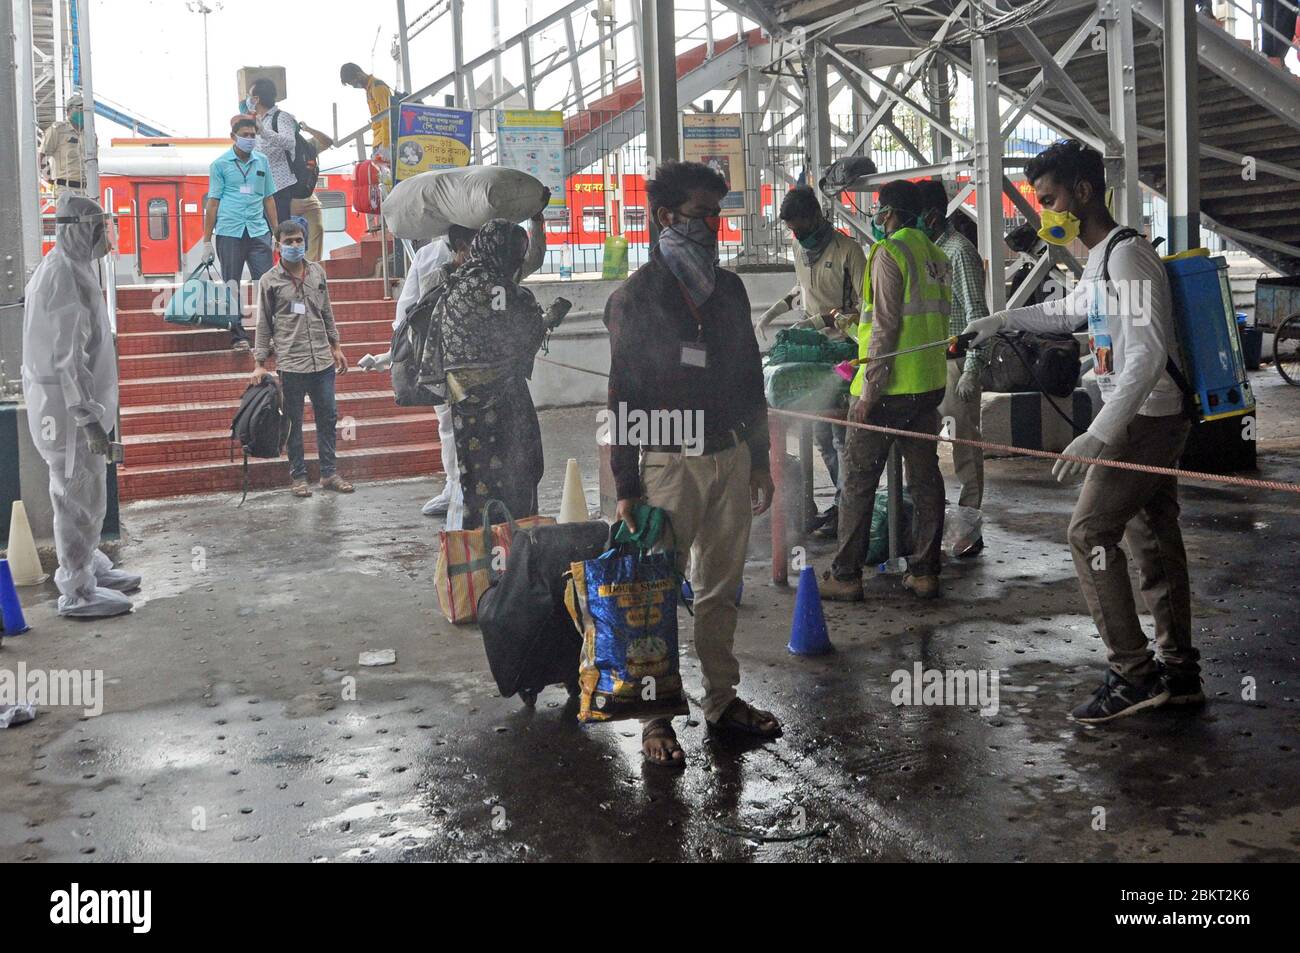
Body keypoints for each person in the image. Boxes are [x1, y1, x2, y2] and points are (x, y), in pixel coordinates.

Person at [964, 138, 1196, 724]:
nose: (1044, 212)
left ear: (1084, 192)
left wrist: (1099, 432)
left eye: (1049, 199)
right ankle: (1179, 670)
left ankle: (1131, 672)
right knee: (1153, 536)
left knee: (1088, 532)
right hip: (1141, 413)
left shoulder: (1128, 256)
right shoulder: (1101, 257)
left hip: (1146, 416)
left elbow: (1144, 355)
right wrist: (1000, 321)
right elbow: (1067, 312)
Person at [604, 160, 779, 769]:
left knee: (721, 588)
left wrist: (759, 460)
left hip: (730, 455)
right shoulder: (637, 297)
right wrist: (627, 482)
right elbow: (622, 392)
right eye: (702, 214)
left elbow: (751, 380)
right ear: (662, 217)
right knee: (654, 590)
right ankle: (655, 715)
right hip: (667, 463)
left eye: (717, 214)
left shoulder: (727, 291)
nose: (713, 226)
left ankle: (722, 700)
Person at [821, 179, 951, 603]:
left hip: (890, 390)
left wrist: (867, 395)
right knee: (926, 480)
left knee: (858, 481)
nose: (876, 218)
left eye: (878, 210)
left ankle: (845, 576)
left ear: (890, 213)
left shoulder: (888, 252)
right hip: (928, 387)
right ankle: (926, 572)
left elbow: (884, 328)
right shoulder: (937, 255)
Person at [21, 194, 140, 618]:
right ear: (78, 229)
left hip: (77, 409)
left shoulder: (74, 267)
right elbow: (67, 359)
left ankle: (88, 565)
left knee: (88, 491)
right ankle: (76, 591)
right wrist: (87, 419)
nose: (104, 237)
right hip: (68, 414)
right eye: (98, 228)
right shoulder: (62, 276)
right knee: (75, 497)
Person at [760, 185, 865, 539]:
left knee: (840, 434)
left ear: (815, 216)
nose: (796, 234)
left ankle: (847, 506)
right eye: (791, 229)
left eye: (799, 226)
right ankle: (834, 503)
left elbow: (866, 308)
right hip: (812, 349)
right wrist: (776, 310)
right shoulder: (798, 249)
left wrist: (827, 320)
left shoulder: (848, 251)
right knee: (819, 432)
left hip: (843, 351)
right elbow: (801, 289)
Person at [434, 220, 550, 528]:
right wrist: (544, 321)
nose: (518, 261)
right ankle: (515, 545)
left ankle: (482, 547)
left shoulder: (457, 282)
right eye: (516, 254)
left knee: (477, 475)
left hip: (462, 401)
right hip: (502, 401)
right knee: (518, 469)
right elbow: (516, 330)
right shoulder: (498, 287)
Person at [251, 219, 354, 497]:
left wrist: (336, 346)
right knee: (293, 422)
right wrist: (260, 363)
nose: (295, 245)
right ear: (277, 245)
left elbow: (327, 311)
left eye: (298, 240)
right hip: (291, 363)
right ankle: (298, 477)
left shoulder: (317, 273)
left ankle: (329, 473)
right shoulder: (269, 281)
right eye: (289, 242)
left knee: (327, 417)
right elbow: (263, 324)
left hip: (322, 360)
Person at [918, 179, 990, 547]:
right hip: (927, 364)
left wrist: (972, 370)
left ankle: (969, 532)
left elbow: (978, 315)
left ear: (931, 215)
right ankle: (936, 528)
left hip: (956, 364)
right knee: (923, 449)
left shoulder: (959, 252)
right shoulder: (924, 252)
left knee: (965, 450)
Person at [201, 115, 277, 351]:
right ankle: (238, 336)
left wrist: (277, 234)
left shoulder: (262, 162)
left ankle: (269, 336)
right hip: (229, 231)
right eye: (245, 135)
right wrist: (206, 241)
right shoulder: (220, 164)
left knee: (266, 284)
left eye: (253, 135)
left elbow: (269, 198)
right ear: (233, 137)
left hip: (258, 230)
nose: (249, 139)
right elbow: (212, 203)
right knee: (231, 284)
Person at [244, 78, 299, 228]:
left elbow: (289, 142)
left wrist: (263, 132)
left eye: (249, 95)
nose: (247, 99)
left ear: (256, 99)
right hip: (260, 186)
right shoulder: (257, 120)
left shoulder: (282, 117)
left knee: (281, 230)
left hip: (279, 186)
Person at [291, 121, 335, 262]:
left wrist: (308, 128)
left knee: (317, 229)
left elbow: (328, 141)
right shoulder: (273, 146)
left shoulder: (307, 146)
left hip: (307, 195)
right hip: (284, 197)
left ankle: (311, 267)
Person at [340, 63, 392, 162]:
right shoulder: (369, 89)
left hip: (384, 141)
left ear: (359, 75)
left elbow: (386, 117)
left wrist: (386, 145)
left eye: (353, 83)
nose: (354, 86)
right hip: (378, 139)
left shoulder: (377, 87)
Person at [38, 93, 87, 194]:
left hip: (87, 189)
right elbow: (42, 156)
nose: (82, 111)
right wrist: (48, 177)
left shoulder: (89, 134)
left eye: (85, 109)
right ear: (68, 111)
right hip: (66, 188)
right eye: (79, 108)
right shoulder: (57, 131)